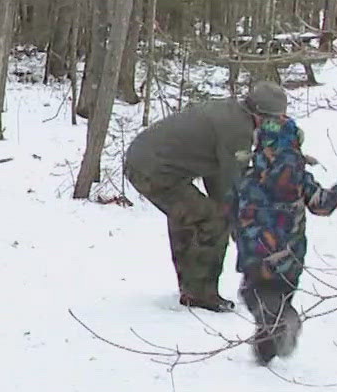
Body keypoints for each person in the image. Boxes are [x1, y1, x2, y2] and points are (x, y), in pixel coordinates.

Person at [123, 80, 294, 312]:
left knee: (192, 216)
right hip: (152, 170)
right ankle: (201, 294)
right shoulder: (238, 131)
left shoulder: (232, 113)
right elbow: (231, 186)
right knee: (215, 220)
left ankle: (192, 289)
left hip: (148, 163)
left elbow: (217, 174)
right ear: (262, 116)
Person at [230, 113, 337, 363]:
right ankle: (269, 344)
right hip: (290, 256)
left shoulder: (248, 175)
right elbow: (322, 206)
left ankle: (277, 328)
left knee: (253, 295)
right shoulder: (300, 177)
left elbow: (230, 209)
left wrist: (237, 234)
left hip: (256, 254)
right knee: (279, 298)